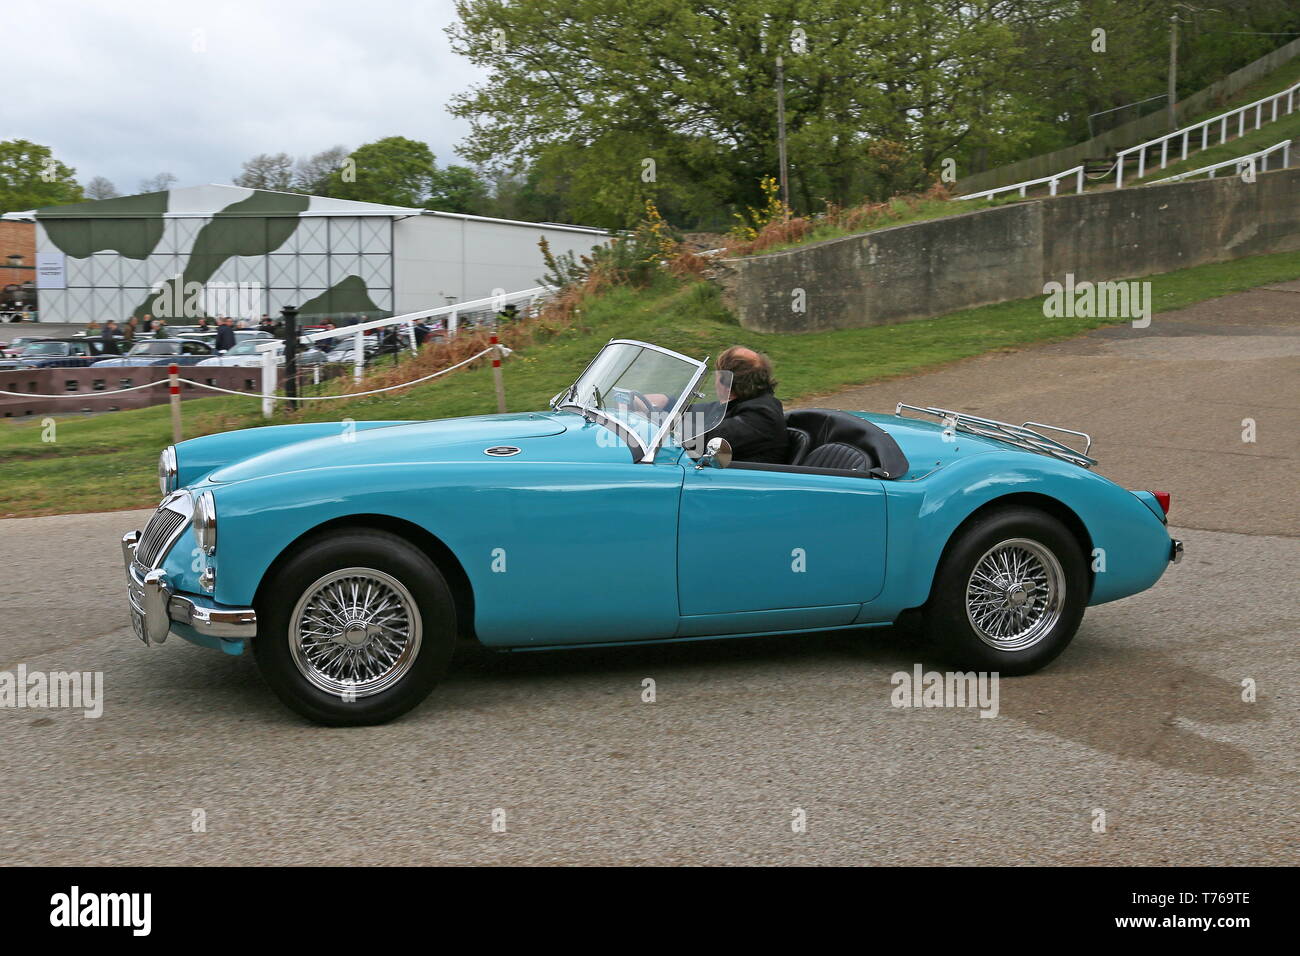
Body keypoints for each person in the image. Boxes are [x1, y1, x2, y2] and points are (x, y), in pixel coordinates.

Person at [702, 346, 787, 463]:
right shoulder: (747, 403)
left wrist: (679, 428)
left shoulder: (761, 416)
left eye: (717, 375)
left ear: (726, 383)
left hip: (745, 480)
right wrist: (670, 405)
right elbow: (706, 410)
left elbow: (708, 442)